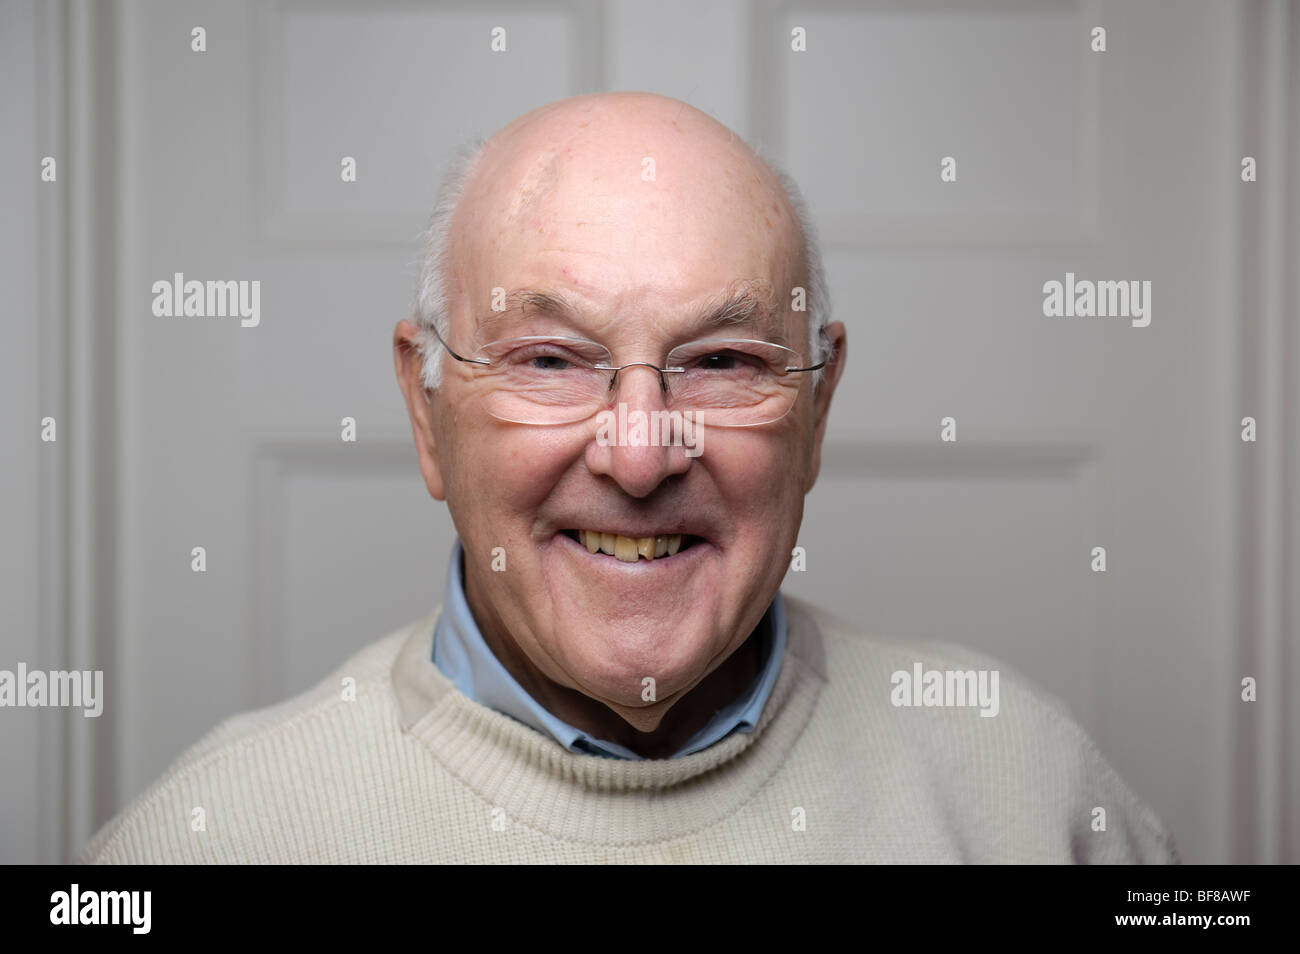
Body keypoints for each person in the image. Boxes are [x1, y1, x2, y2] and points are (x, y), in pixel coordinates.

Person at [80, 92, 1179, 863]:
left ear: (816, 411)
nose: (642, 454)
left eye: (721, 363)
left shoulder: (1031, 791)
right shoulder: (209, 839)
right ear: (426, 408)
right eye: (550, 361)